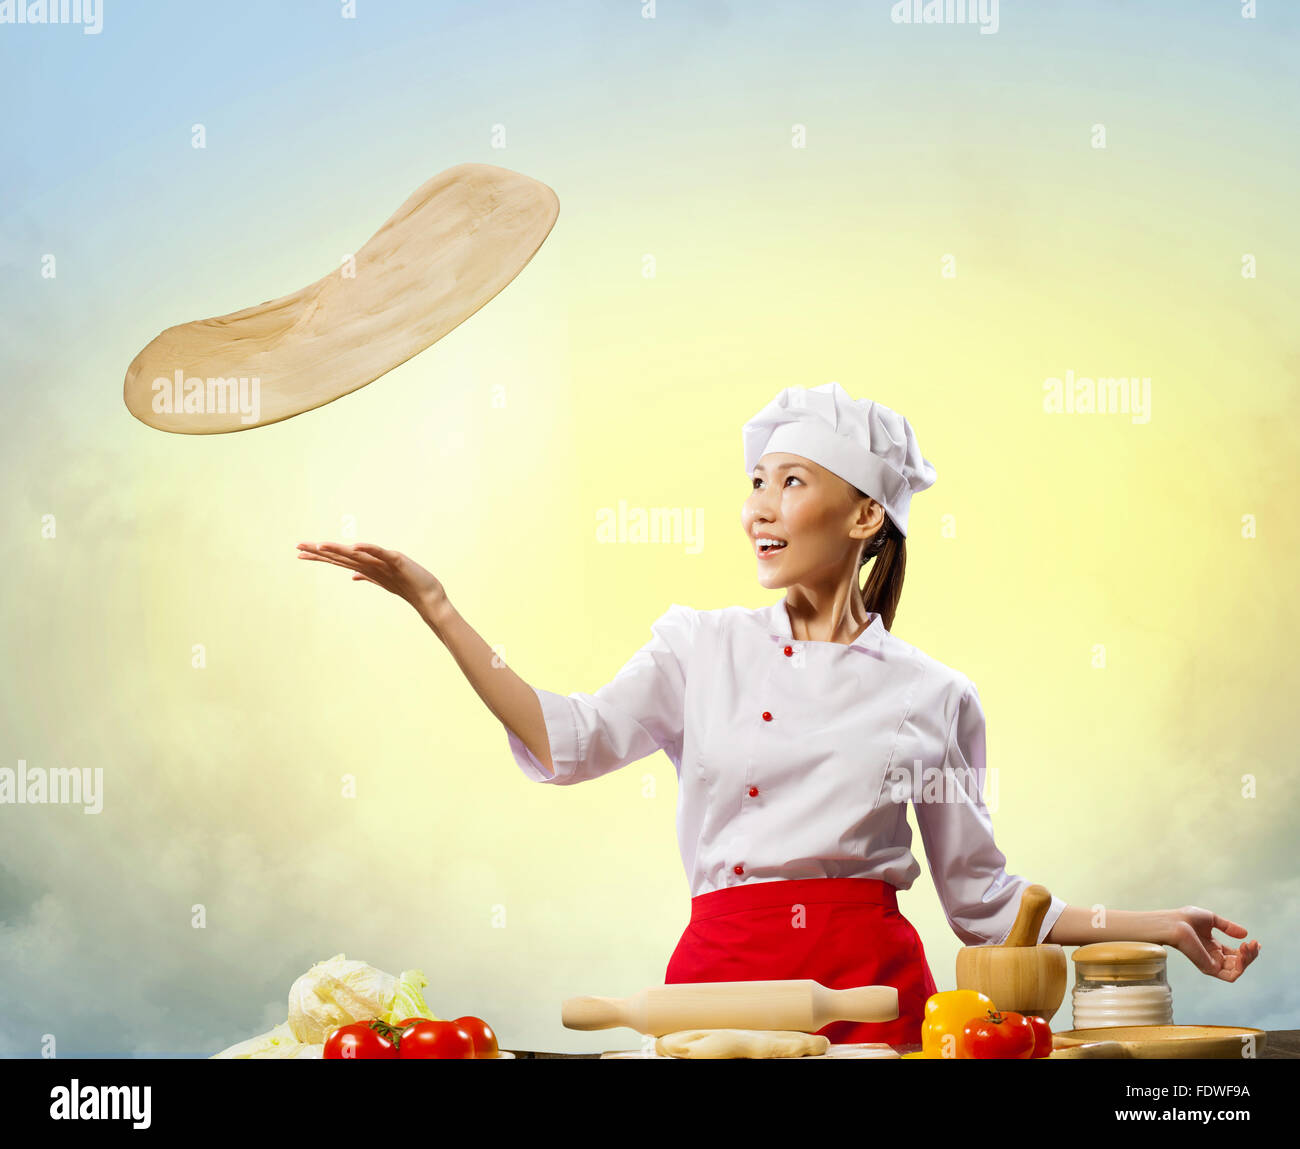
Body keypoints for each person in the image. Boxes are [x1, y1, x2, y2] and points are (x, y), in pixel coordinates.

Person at [296, 381, 1260, 1048]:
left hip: (877, 1008)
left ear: (866, 515)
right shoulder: (697, 647)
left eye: (791, 481)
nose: (759, 507)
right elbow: (568, 740)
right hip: (717, 993)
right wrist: (438, 607)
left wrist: (1160, 924)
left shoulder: (934, 694)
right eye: (756, 482)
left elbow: (985, 903)